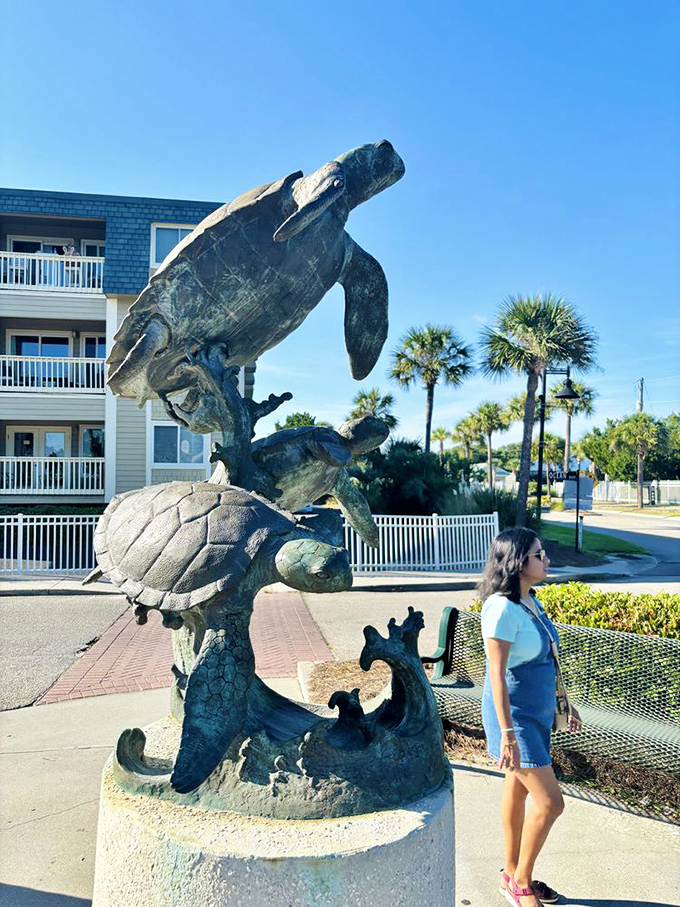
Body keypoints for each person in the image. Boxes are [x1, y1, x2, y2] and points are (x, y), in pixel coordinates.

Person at [479, 528, 581, 907]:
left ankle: (510, 873)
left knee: (517, 788)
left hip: (536, 715)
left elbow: (546, 658)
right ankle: (521, 881)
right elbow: (496, 674)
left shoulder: (529, 601)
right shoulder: (502, 609)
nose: (547, 559)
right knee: (551, 803)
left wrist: (565, 701)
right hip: (515, 719)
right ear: (518, 562)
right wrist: (506, 732)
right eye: (540, 555)